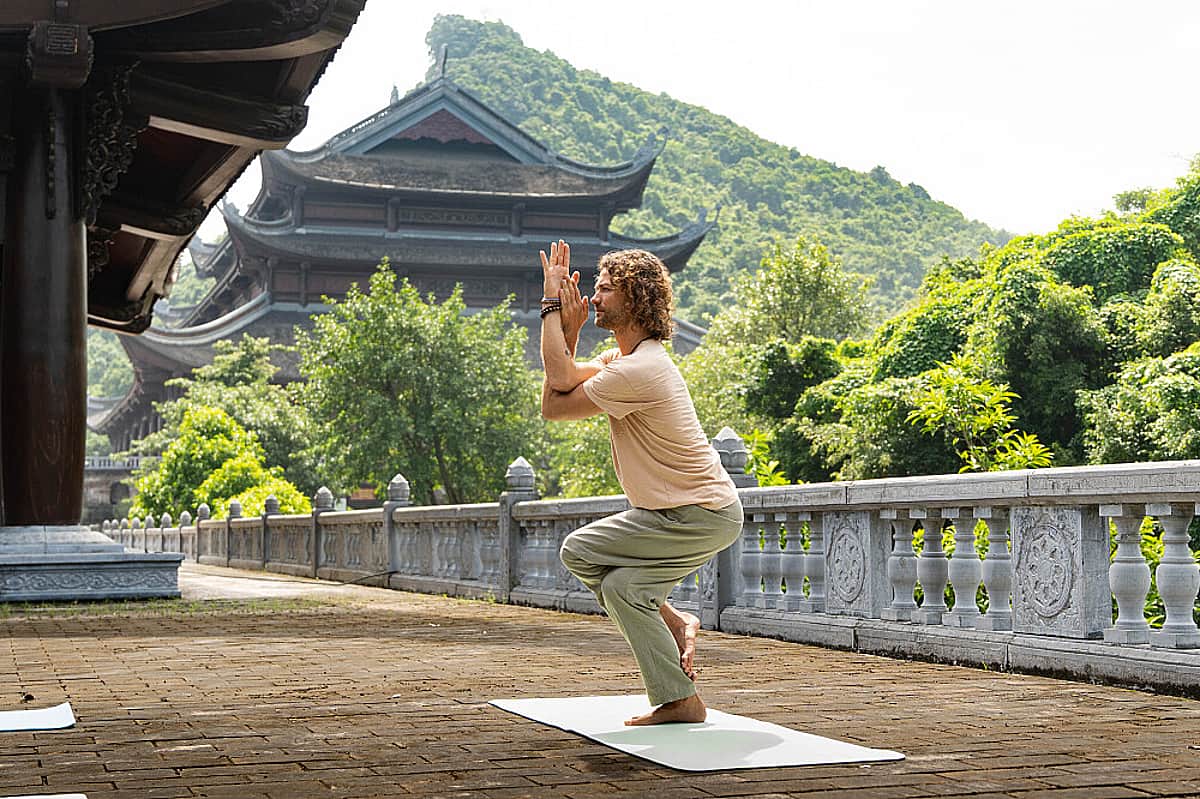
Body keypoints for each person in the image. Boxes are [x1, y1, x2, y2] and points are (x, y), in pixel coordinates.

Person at [538, 240, 743, 726]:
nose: (594, 296)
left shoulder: (640, 370)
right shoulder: (622, 360)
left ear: (633, 300)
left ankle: (673, 626)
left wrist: (553, 311)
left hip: (700, 514)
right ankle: (680, 699)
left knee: (579, 550)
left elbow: (558, 395)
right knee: (625, 588)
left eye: (606, 289)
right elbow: (558, 389)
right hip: (679, 513)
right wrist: (566, 335)